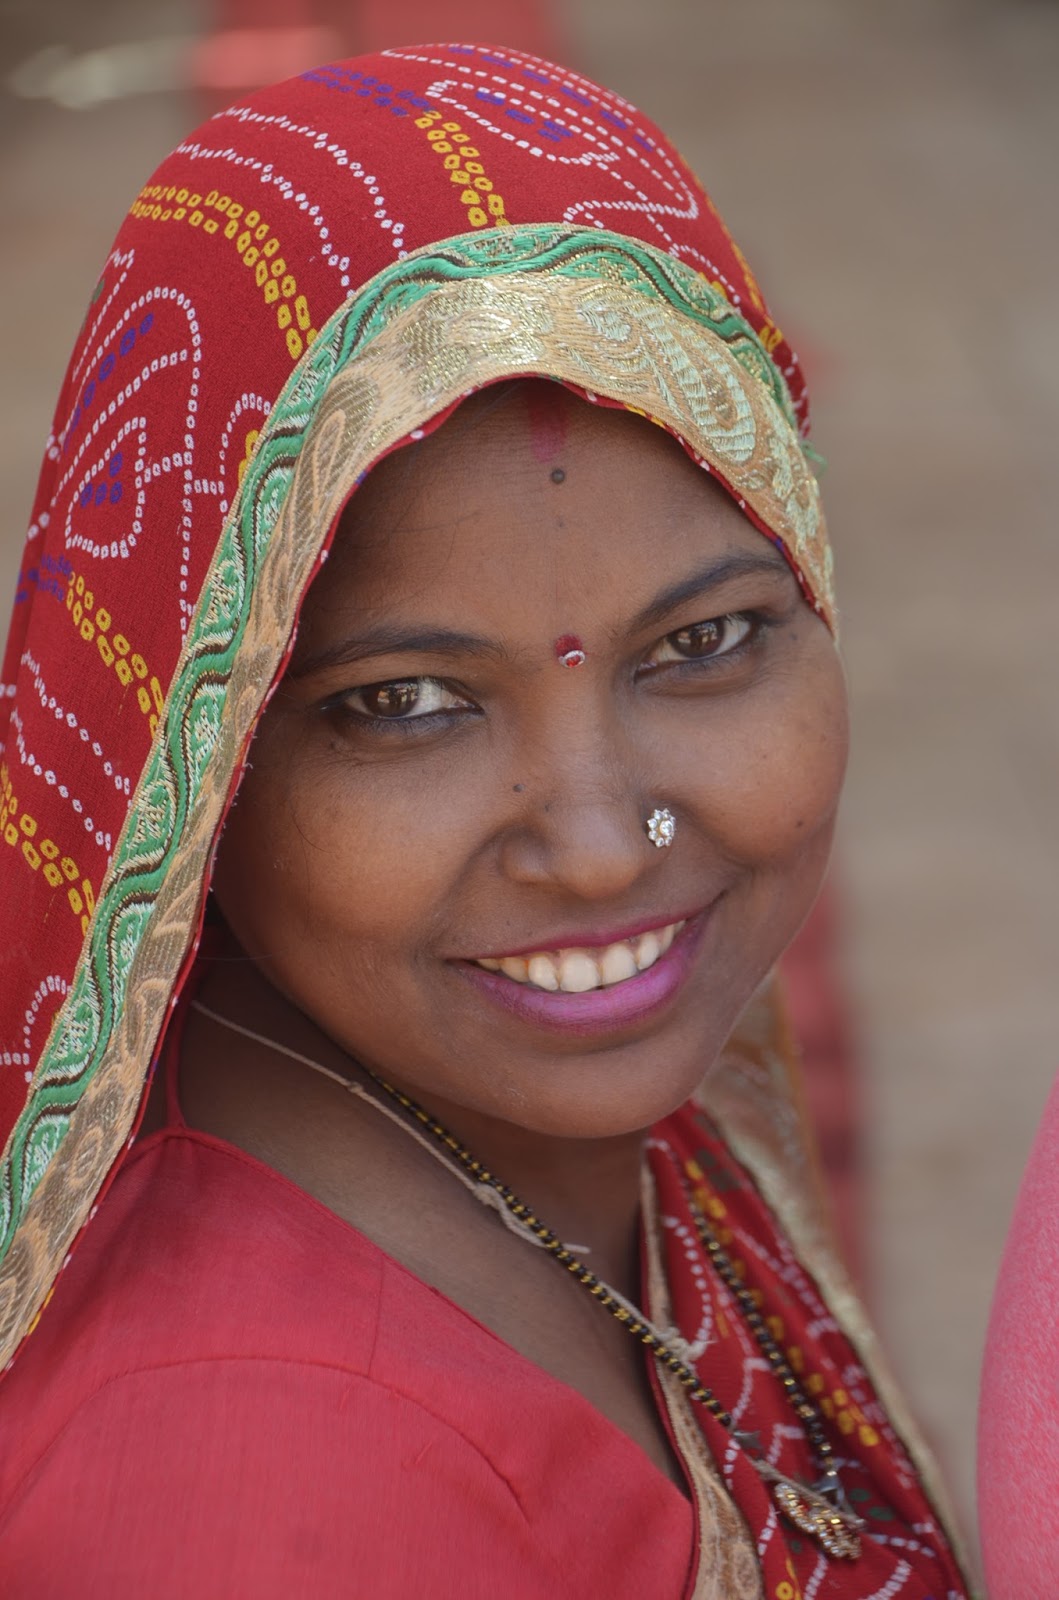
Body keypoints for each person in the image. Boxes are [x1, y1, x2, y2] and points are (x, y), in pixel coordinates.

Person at [0, 43, 972, 1598]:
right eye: (403, 704)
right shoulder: (252, 1490)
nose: (596, 845)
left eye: (705, 643)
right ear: (197, 748)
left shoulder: (529, 1105)